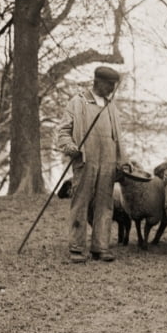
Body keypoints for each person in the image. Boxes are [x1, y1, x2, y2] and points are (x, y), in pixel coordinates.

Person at [55, 65, 125, 263]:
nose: (111, 89)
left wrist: (122, 160)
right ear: (97, 82)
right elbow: (63, 131)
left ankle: (100, 248)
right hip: (85, 161)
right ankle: (77, 248)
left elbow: (119, 138)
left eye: (114, 85)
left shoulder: (111, 107)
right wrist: (70, 147)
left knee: (105, 205)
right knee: (81, 203)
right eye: (109, 84)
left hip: (108, 162)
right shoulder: (78, 103)